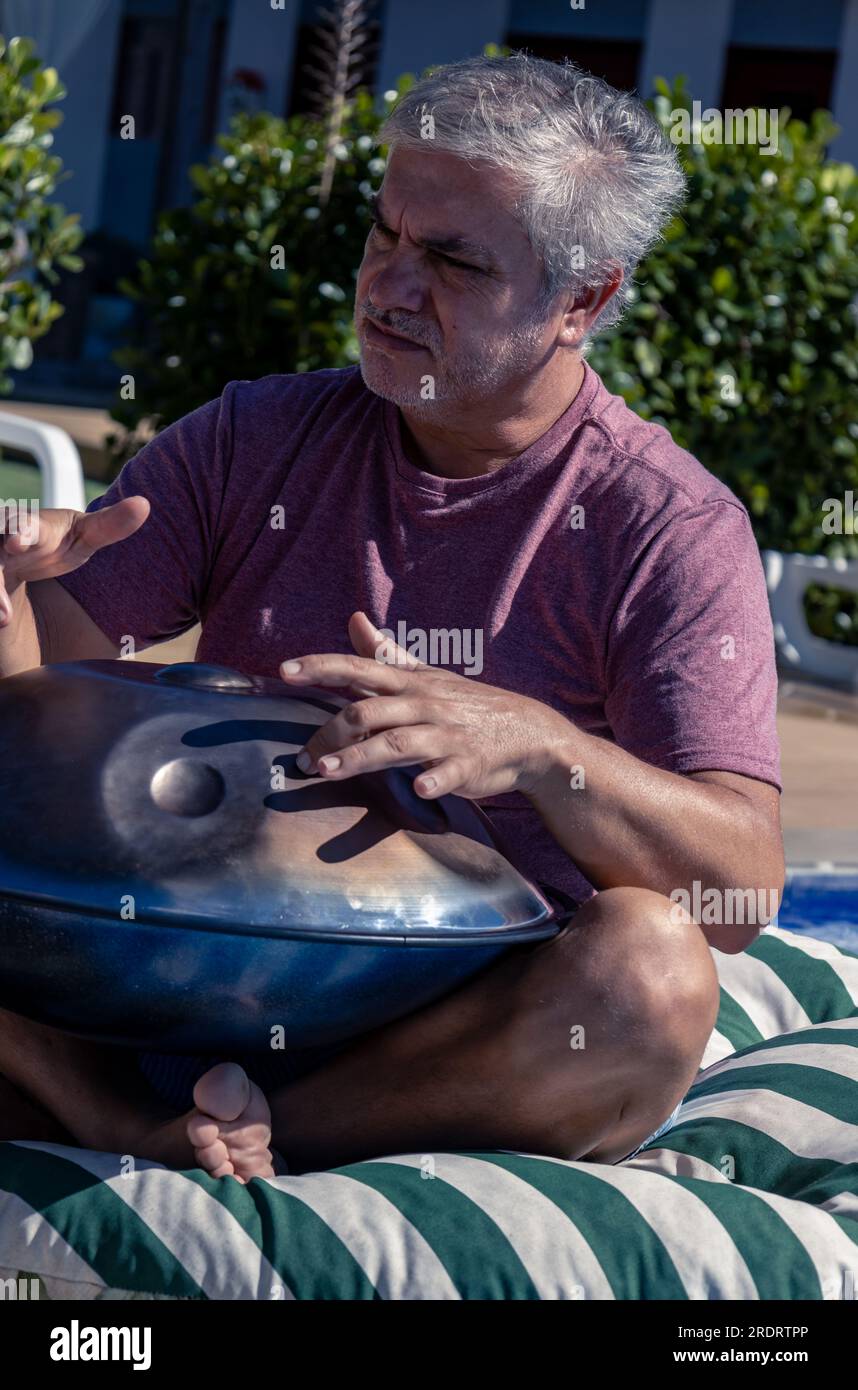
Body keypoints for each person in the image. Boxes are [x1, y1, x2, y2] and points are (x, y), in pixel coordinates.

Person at [0, 54, 783, 1180]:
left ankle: (271, 1140)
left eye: (454, 262)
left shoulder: (667, 525)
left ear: (584, 300)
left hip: (443, 1029)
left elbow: (741, 884)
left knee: (651, 971)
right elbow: (24, 721)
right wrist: (9, 598)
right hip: (168, 973)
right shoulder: (253, 438)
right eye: (385, 236)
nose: (389, 288)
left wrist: (541, 748)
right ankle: (129, 1126)